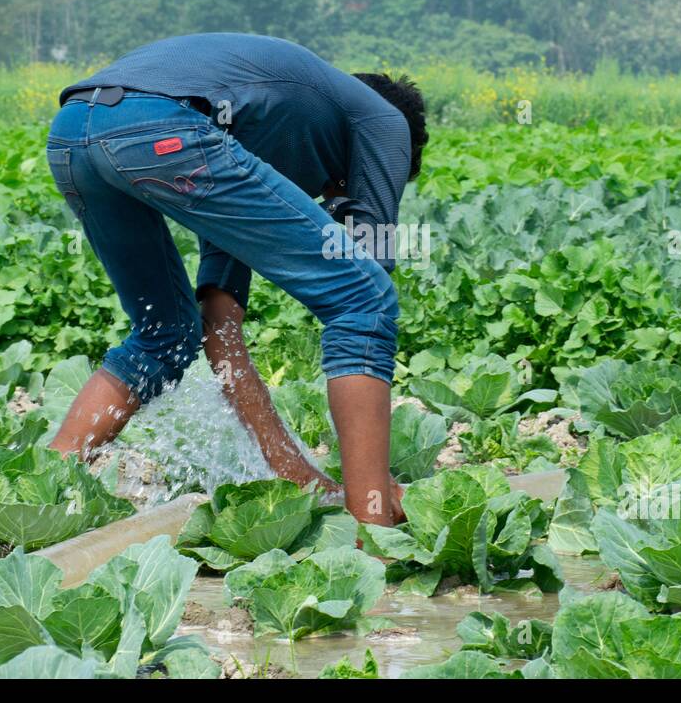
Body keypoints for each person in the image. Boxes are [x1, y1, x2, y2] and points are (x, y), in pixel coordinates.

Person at [43, 33, 427, 526]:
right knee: (365, 301)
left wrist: (297, 474)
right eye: (338, 190)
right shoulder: (383, 121)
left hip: (74, 133)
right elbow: (365, 297)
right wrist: (374, 486)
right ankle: (372, 528)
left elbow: (220, 328)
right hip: (162, 129)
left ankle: (45, 488)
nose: (328, 199)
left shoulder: (249, 132)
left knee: (166, 336)